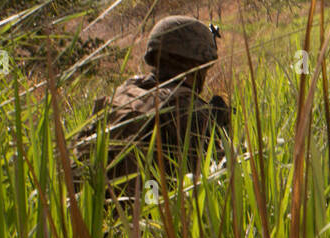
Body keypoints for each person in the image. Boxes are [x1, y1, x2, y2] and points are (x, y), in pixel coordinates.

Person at [73, 16, 231, 199]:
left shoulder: (121, 95)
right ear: (197, 65)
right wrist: (221, 129)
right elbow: (219, 175)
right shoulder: (189, 110)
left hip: (92, 212)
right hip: (147, 215)